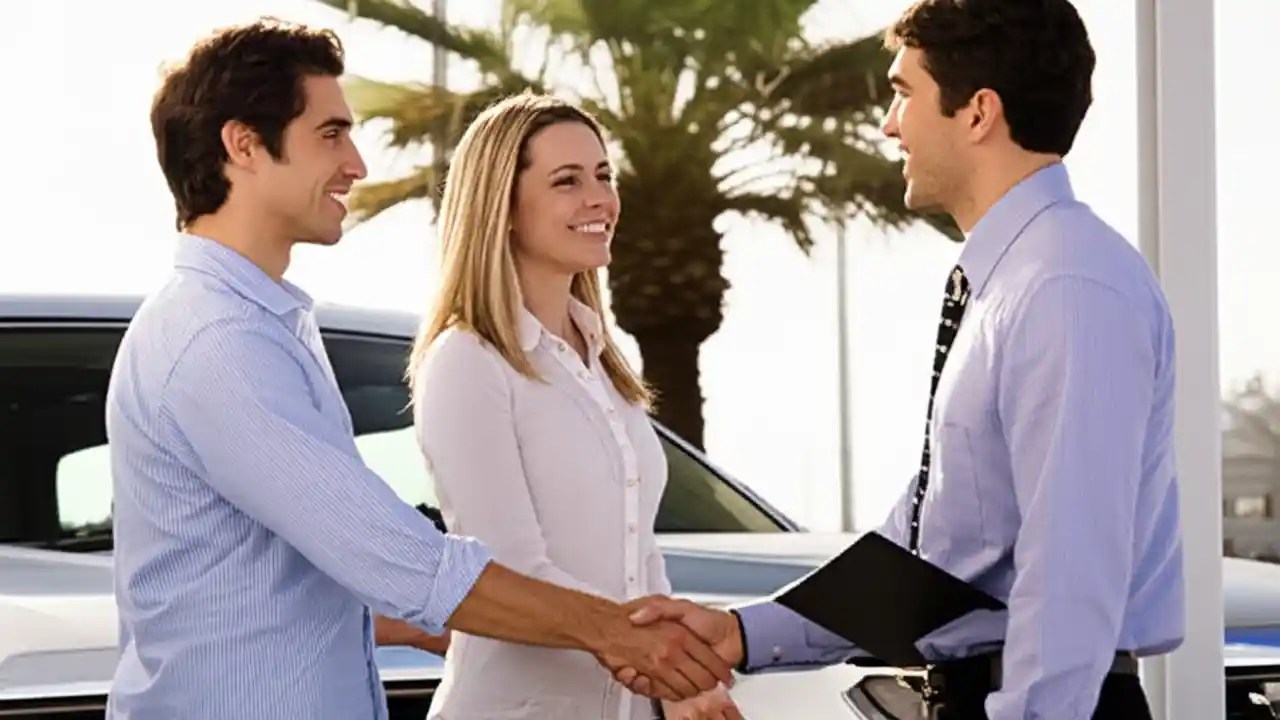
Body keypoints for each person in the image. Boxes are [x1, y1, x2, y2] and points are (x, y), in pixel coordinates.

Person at [105, 19, 732, 720]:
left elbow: (301, 578)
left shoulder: (266, 326)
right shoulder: (216, 341)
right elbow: (392, 557)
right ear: (244, 145)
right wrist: (625, 638)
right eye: (331, 134)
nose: (357, 164)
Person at [628, 1, 1184, 718]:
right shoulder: (1014, 282)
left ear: (978, 112)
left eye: (902, 92)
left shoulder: (1066, 285)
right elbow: (930, 556)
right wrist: (741, 633)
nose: (889, 124)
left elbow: (1071, 572)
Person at [407, 93, 741, 720]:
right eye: (567, 181)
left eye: (603, 176)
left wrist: (687, 685)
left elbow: (638, 559)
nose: (600, 200)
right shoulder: (468, 362)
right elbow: (508, 570)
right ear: (501, 207)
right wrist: (661, 658)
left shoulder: (604, 369)